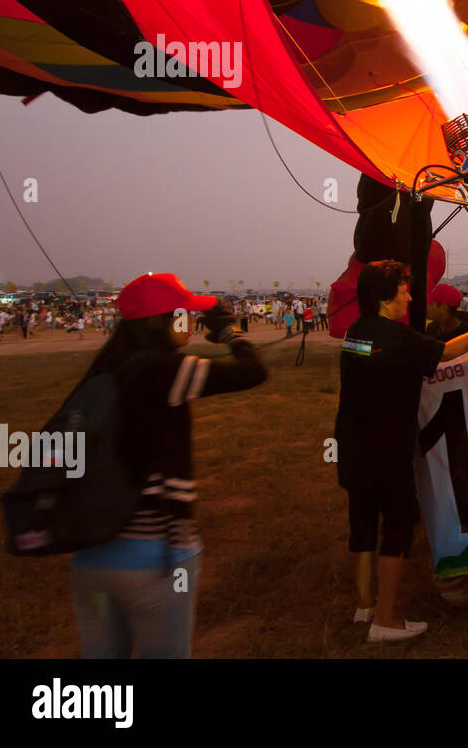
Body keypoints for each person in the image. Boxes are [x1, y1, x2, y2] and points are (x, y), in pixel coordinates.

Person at [69, 275, 268, 658]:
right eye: (185, 316)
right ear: (164, 320)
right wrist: (228, 333)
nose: (191, 325)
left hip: (90, 557)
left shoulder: (102, 370)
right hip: (158, 559)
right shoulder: (162, 371)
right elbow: (253, 372)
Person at [335, 260, 468, 643]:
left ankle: (365, 607)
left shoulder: (355, 334)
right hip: (386, 449)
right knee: (397, 526)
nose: (410, 295)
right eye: (404, 289)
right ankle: (387, 621)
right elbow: (444, 353)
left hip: (352, 446)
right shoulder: (396, 336)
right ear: (385, 296)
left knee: (361, 525)